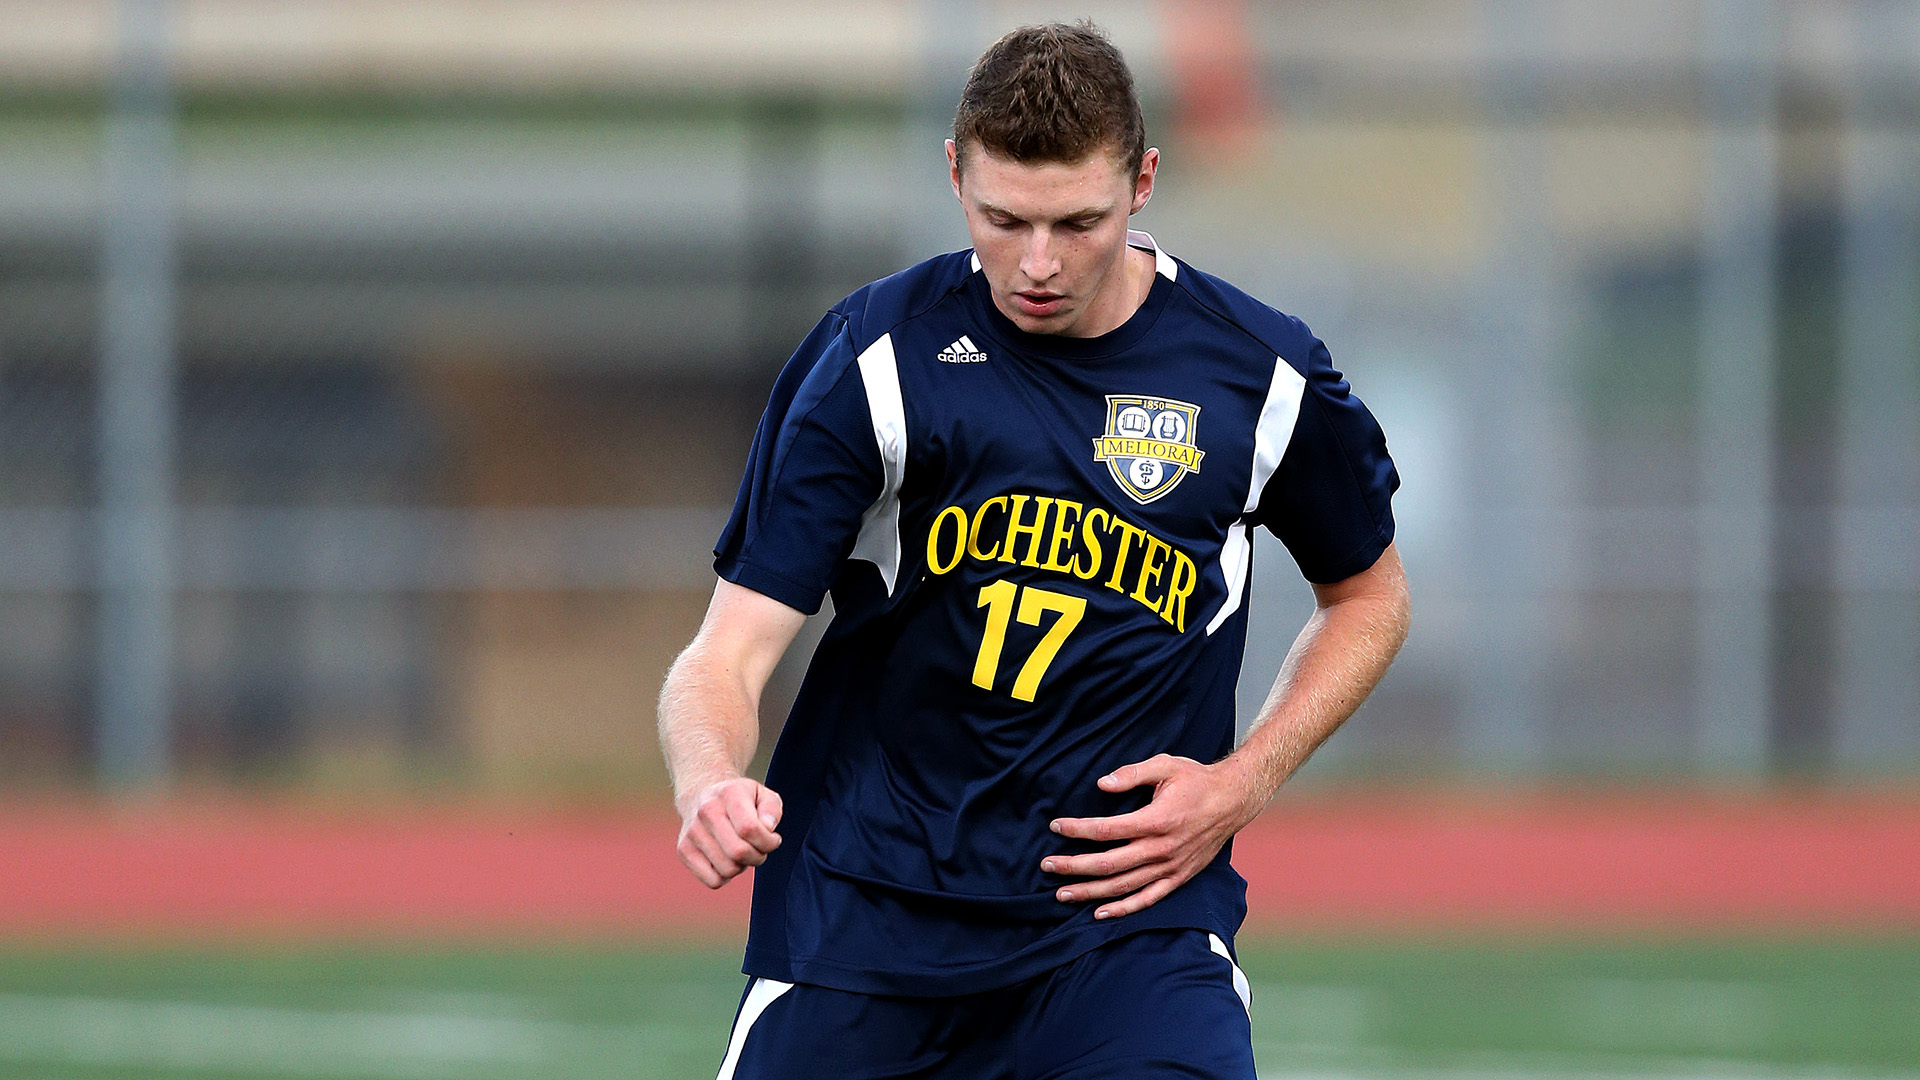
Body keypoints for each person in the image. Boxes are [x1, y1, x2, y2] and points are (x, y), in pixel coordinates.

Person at [658, 20, 1410, 1080]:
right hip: (864, 915)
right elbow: (725, 654)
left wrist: (1243, 781)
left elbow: (1369, 597)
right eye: (1003, 219)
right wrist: (707, 781)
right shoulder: (876, 359)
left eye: (1077, 221)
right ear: (954, 173)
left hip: (1127, 927)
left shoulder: (1261, 377)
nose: (1039, 263)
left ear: (1143, 181)